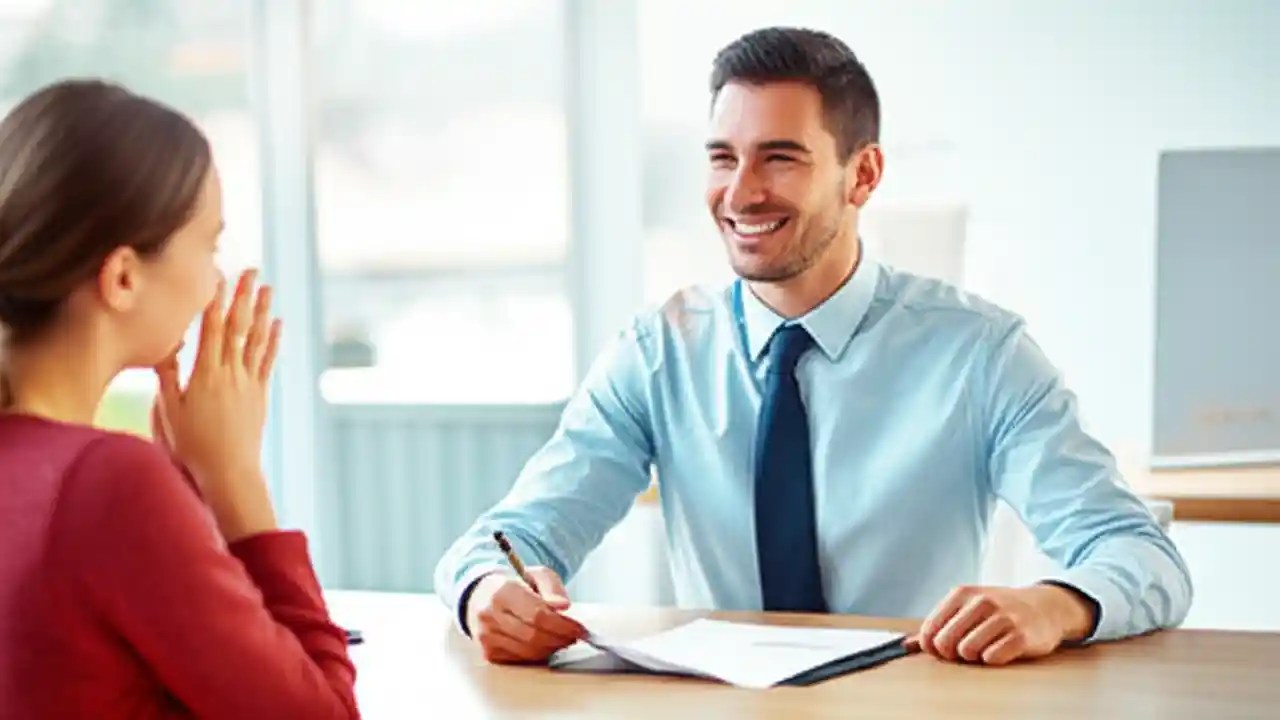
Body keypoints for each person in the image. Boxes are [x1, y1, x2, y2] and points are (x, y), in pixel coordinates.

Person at [435, 26, 1192, 668]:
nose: (739, 194)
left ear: (862, 175)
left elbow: (1141, 555)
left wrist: (1054, 606)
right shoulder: (657, 352)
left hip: (913, 706)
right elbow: (505, 539)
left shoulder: (981, 354)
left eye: (779, 157)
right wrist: (486, 596)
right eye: (723, 157)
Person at [0, 80, 359, 718]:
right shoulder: (107, 481)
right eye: (210, 245)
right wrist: (234, 479)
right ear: (124, 277)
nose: (216, 281)